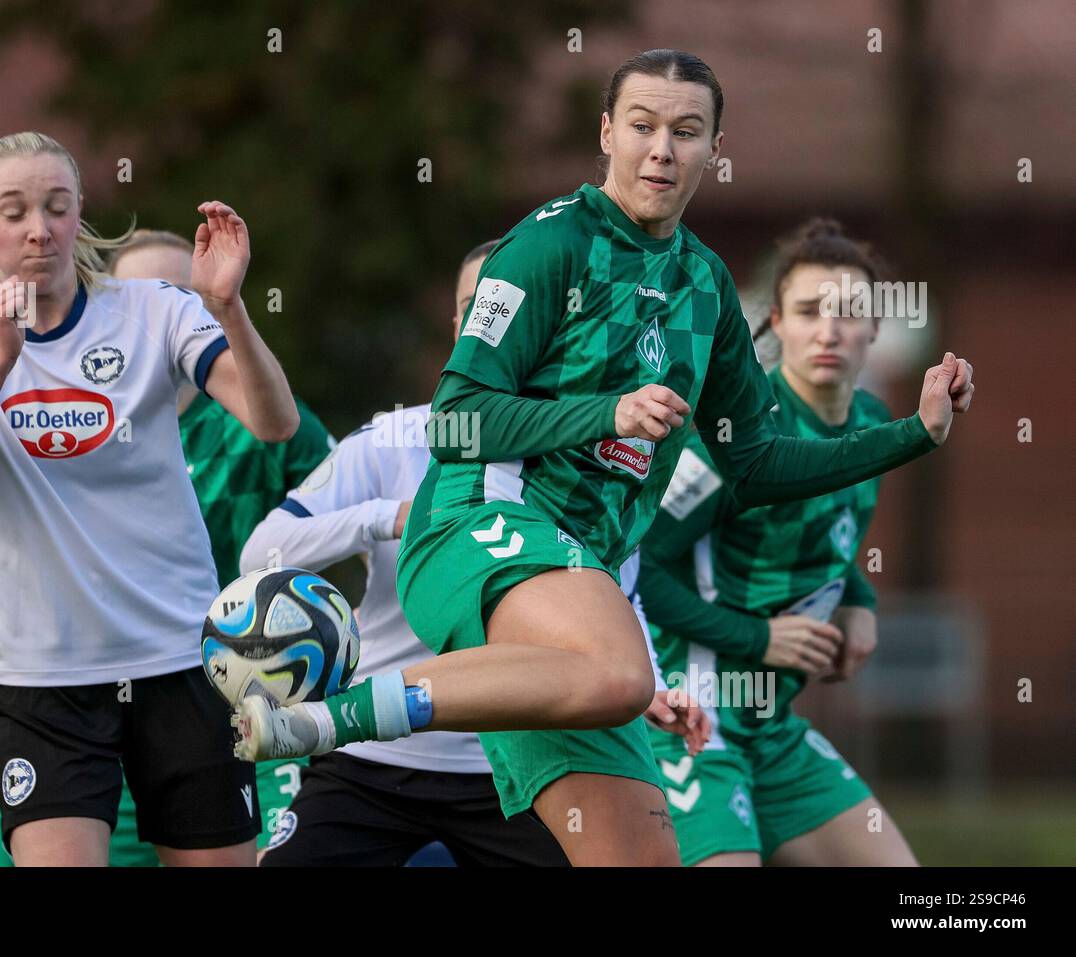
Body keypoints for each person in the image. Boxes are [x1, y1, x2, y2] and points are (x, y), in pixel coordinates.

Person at [231, 49, 975, 867]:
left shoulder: (707, 284)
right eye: (645, 126)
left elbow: (757, 463)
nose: (663, 148)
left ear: (714, 149)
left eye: (687, 131)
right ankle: (328, 719)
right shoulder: (547, 246)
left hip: (583, 597)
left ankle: (597, 685)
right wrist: (605, 413)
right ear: (608, 133)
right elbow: (455, 422)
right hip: (474, 527)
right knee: (616, 669)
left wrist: (916, 433)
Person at [0, 131, 299, 866]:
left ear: (80, 214)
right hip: (42, 678)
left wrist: (230, 308)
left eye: (56, 206)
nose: (38, 228)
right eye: (13, 211)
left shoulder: (153, 309)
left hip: (180, 658)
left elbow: (276, 423)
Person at [243, 241, 704, 866]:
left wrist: (645, 680)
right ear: (463, 327)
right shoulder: (393, 437)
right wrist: (386, 518)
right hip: (374, 759)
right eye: (475, 308)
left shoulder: (597, 461)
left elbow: (613, 595)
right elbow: (260, 555)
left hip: (507, 761)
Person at [637, 218, 919, 866]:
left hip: (775, 729)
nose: (829, 330)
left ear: (876, 329)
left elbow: (828, 540)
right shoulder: (734, 431)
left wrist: (861, 601)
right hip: (695, 721)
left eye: (849, 313)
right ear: (776, 323)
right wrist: (760, 639)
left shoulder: (873, 424)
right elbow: (636, 568)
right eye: (809, 310)